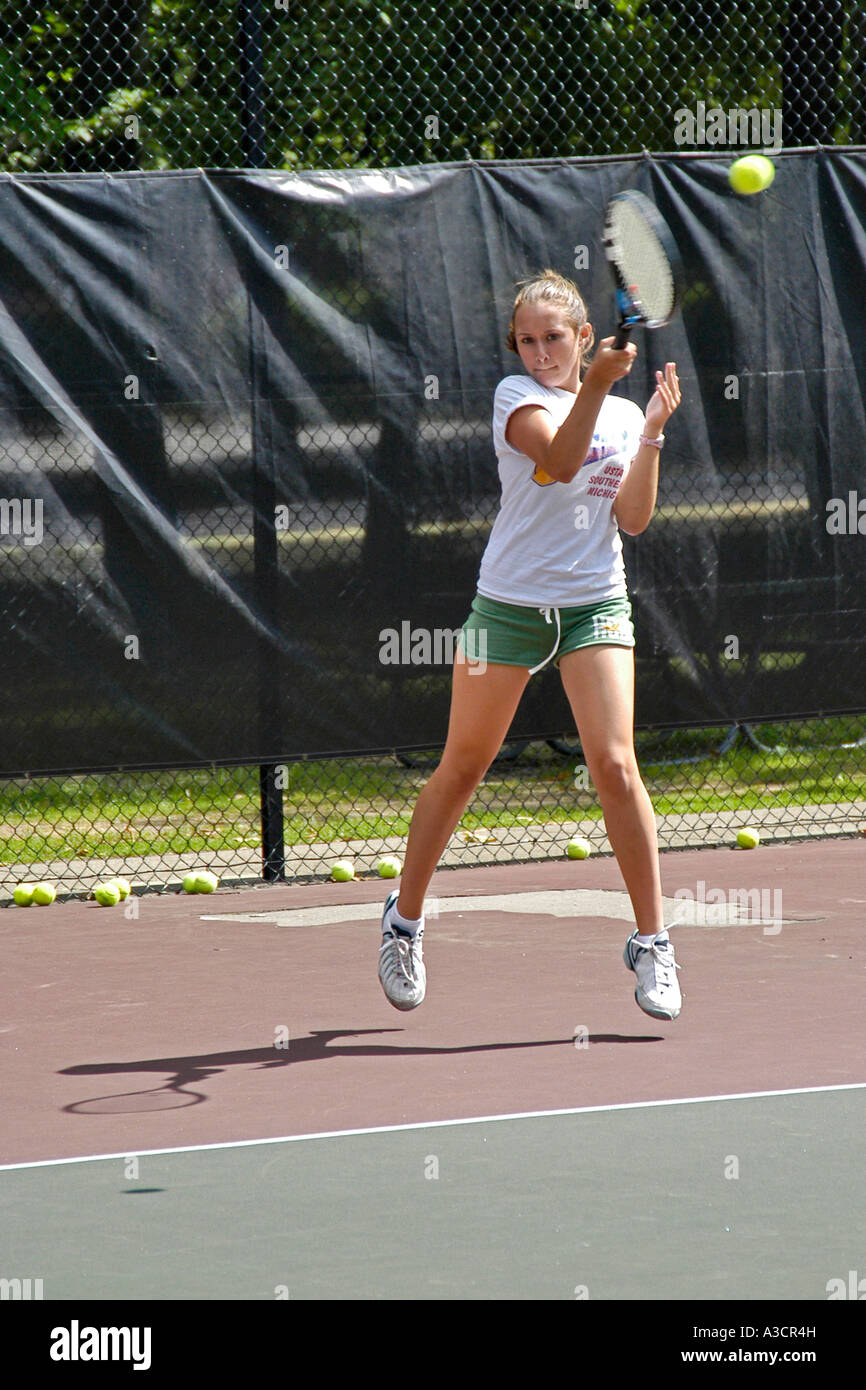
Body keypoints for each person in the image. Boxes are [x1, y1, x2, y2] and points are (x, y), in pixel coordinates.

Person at [377, 269, 682, 1021]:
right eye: (526, 340)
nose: (539, 351)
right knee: (464, 766)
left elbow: (634, 520)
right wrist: (595, 391)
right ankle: (403, 920)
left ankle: (654, 942)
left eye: (554, 338)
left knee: (614, 765)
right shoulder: (516, 400)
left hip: (594, 607)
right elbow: (557, 464)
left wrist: (648, 433)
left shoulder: (610, 409)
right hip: (506, 610)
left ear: (585, 337)